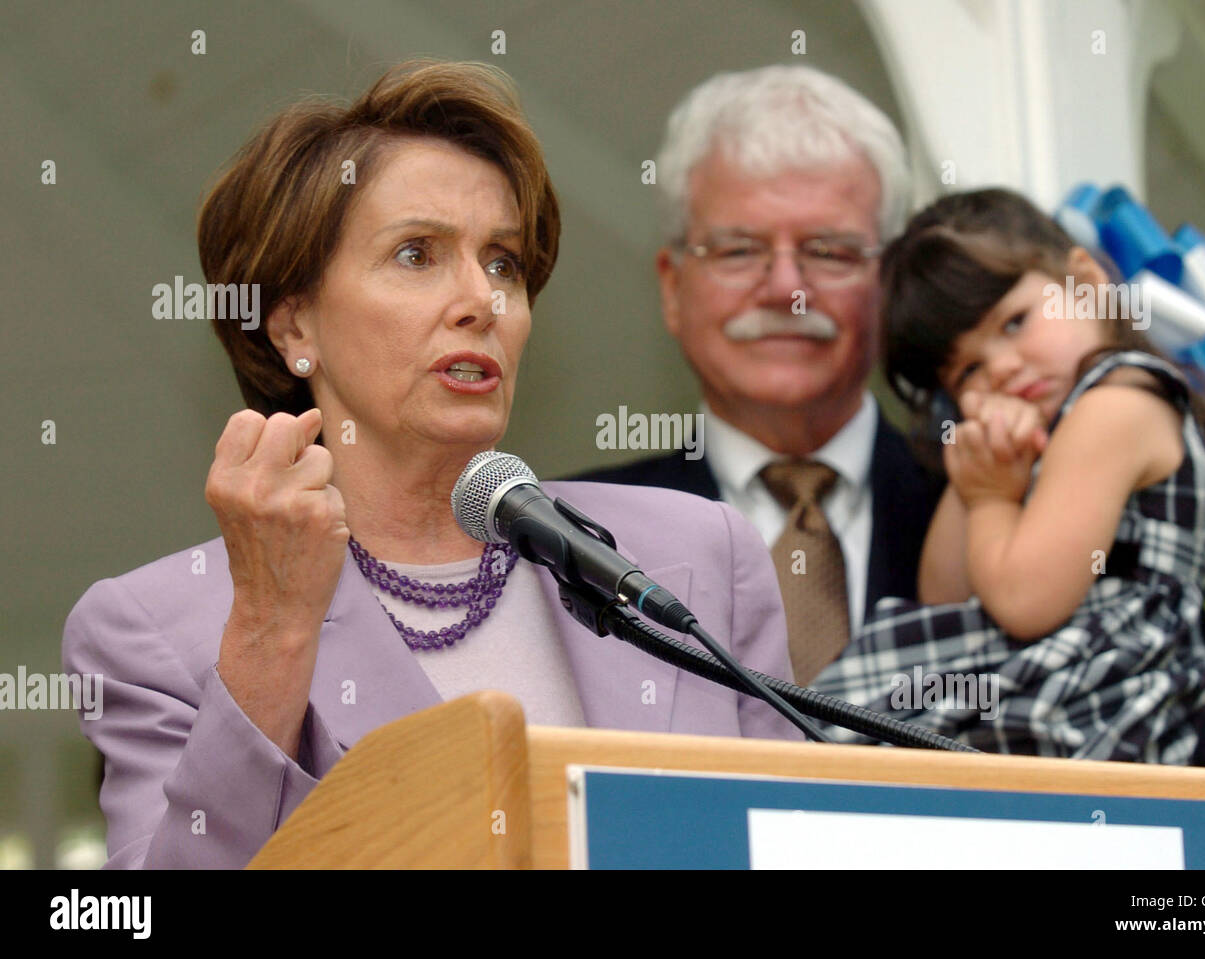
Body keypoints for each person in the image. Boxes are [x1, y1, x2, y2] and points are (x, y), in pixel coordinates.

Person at [62, 60, 801, 870]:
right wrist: (273, 632)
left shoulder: (700, 555)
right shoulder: (159, 632)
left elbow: (790, 837)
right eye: (417, 254)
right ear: (292, 325)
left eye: (503, 263)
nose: (480, 301)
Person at [814, 188, 1205, 768]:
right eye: (968, 370)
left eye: (1015, 322)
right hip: (1054, 706)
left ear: (1086, 281)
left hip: (1106, 711)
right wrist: (976, 481)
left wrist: (995, 497)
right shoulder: (1046, 435)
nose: (1000, 368)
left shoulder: (1115, 405)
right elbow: (944, 604)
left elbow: (1025, 601)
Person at [574, 66, 944, 688]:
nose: (785, 289)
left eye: (829, 251)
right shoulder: (576, 536)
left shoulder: (991, 517)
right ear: (672, 286)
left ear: (889, 284)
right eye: (738, 249)